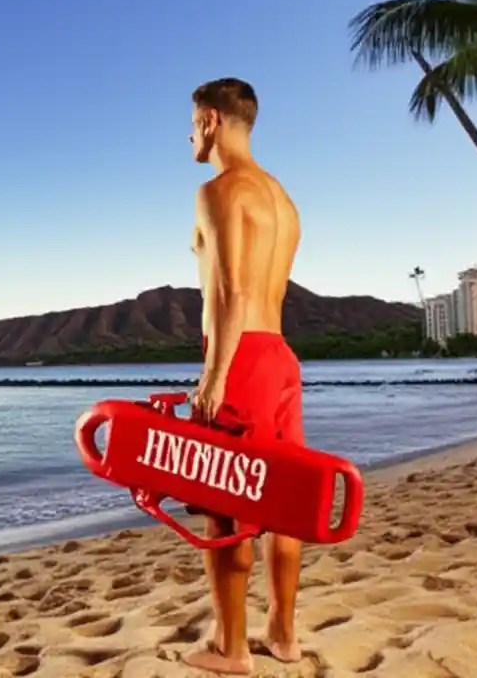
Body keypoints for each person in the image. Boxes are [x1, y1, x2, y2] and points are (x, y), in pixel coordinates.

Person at [184, 77, 306, 675]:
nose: (187, 136)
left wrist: (213, 376)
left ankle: (231, 649)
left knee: (224, 503)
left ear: (210, 120)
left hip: (244, 360)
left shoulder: (220, 190)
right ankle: (282, 633)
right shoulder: (281, 197)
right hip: (280, 355)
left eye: (190, 124)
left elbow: (231, 290)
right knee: (283, 499)